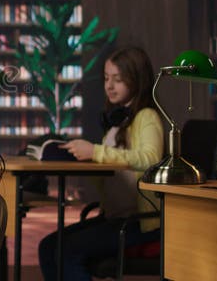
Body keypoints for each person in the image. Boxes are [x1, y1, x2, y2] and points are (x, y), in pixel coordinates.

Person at [38, 46, 164, 281]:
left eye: (118, 79)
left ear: (137, 79)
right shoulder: (118, 122)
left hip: (138, 223)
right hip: (115, 216)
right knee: (48, 246)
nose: (109, 86)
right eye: (106, 78)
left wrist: (95, 151)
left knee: (69, 251)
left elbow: (150, 159)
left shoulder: (147, 117)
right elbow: (109, 169)